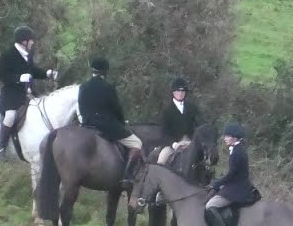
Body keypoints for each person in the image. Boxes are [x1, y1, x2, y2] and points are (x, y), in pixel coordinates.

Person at [0, 26, 58, 161]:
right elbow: (1, 75)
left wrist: (47, 73)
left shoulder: (27, 55)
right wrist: (18, 78)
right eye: (31, 40)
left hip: (26, 94)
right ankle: (2, 147)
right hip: (11, 94)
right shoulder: (8, 55)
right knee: (10, 116)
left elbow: (32, 70)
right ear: (24, 41)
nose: (32, 43)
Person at [77, 57, 143, 187]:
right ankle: (127, 175)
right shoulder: (108, 87)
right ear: (105, 72)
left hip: (87, 123)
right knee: (137, 143)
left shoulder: (83, 87)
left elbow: (81, 107)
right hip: (106, 125)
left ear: (93, 71)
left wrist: (86, 120)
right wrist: (122, 123)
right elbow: (116, 109)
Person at [204, 122, 256, 226]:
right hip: (237, 185)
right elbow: (233, 173)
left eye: (227, 136)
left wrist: (216, 183)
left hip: (237, 189)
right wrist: (220, 182)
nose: (225, 138)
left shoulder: (237, 152)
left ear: (234, 137)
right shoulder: (238, 149)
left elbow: (231, 174)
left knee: (210, 205)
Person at [157, 77, 201, 165]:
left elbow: (198, 125)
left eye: (183, 91)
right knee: (161, 162)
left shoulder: (192, 108)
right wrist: (174, 144)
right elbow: (164, 132)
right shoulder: (167, 110)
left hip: (191, 143)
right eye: (178, 91)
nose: (180, 93)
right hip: (172, 146)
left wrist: (193, 140)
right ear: (173, 92)